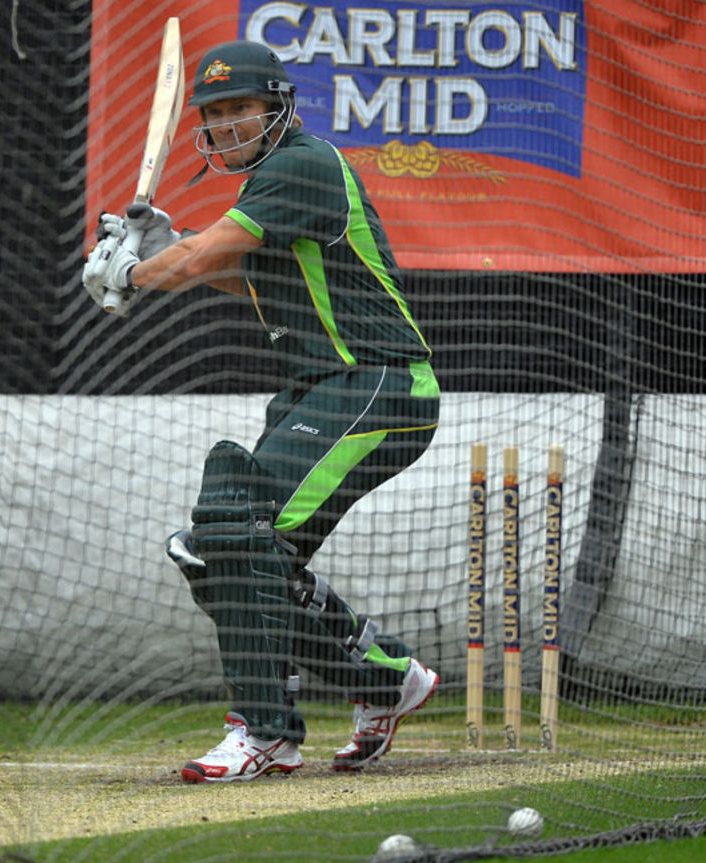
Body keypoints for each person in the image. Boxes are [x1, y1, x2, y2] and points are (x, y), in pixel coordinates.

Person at [82, 39, 440, 783]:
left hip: (375, 385)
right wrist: (160, 253)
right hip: (321, 391)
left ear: (277, 109)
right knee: (216, 549)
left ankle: (267, 733)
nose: (227, 125)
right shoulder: (274, 190)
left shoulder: (298, 165)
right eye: (213, 115)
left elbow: (194, 260)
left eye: (240, 109)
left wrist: (141, 267)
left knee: (237, 532)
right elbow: (235, 278)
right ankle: (384, 679)